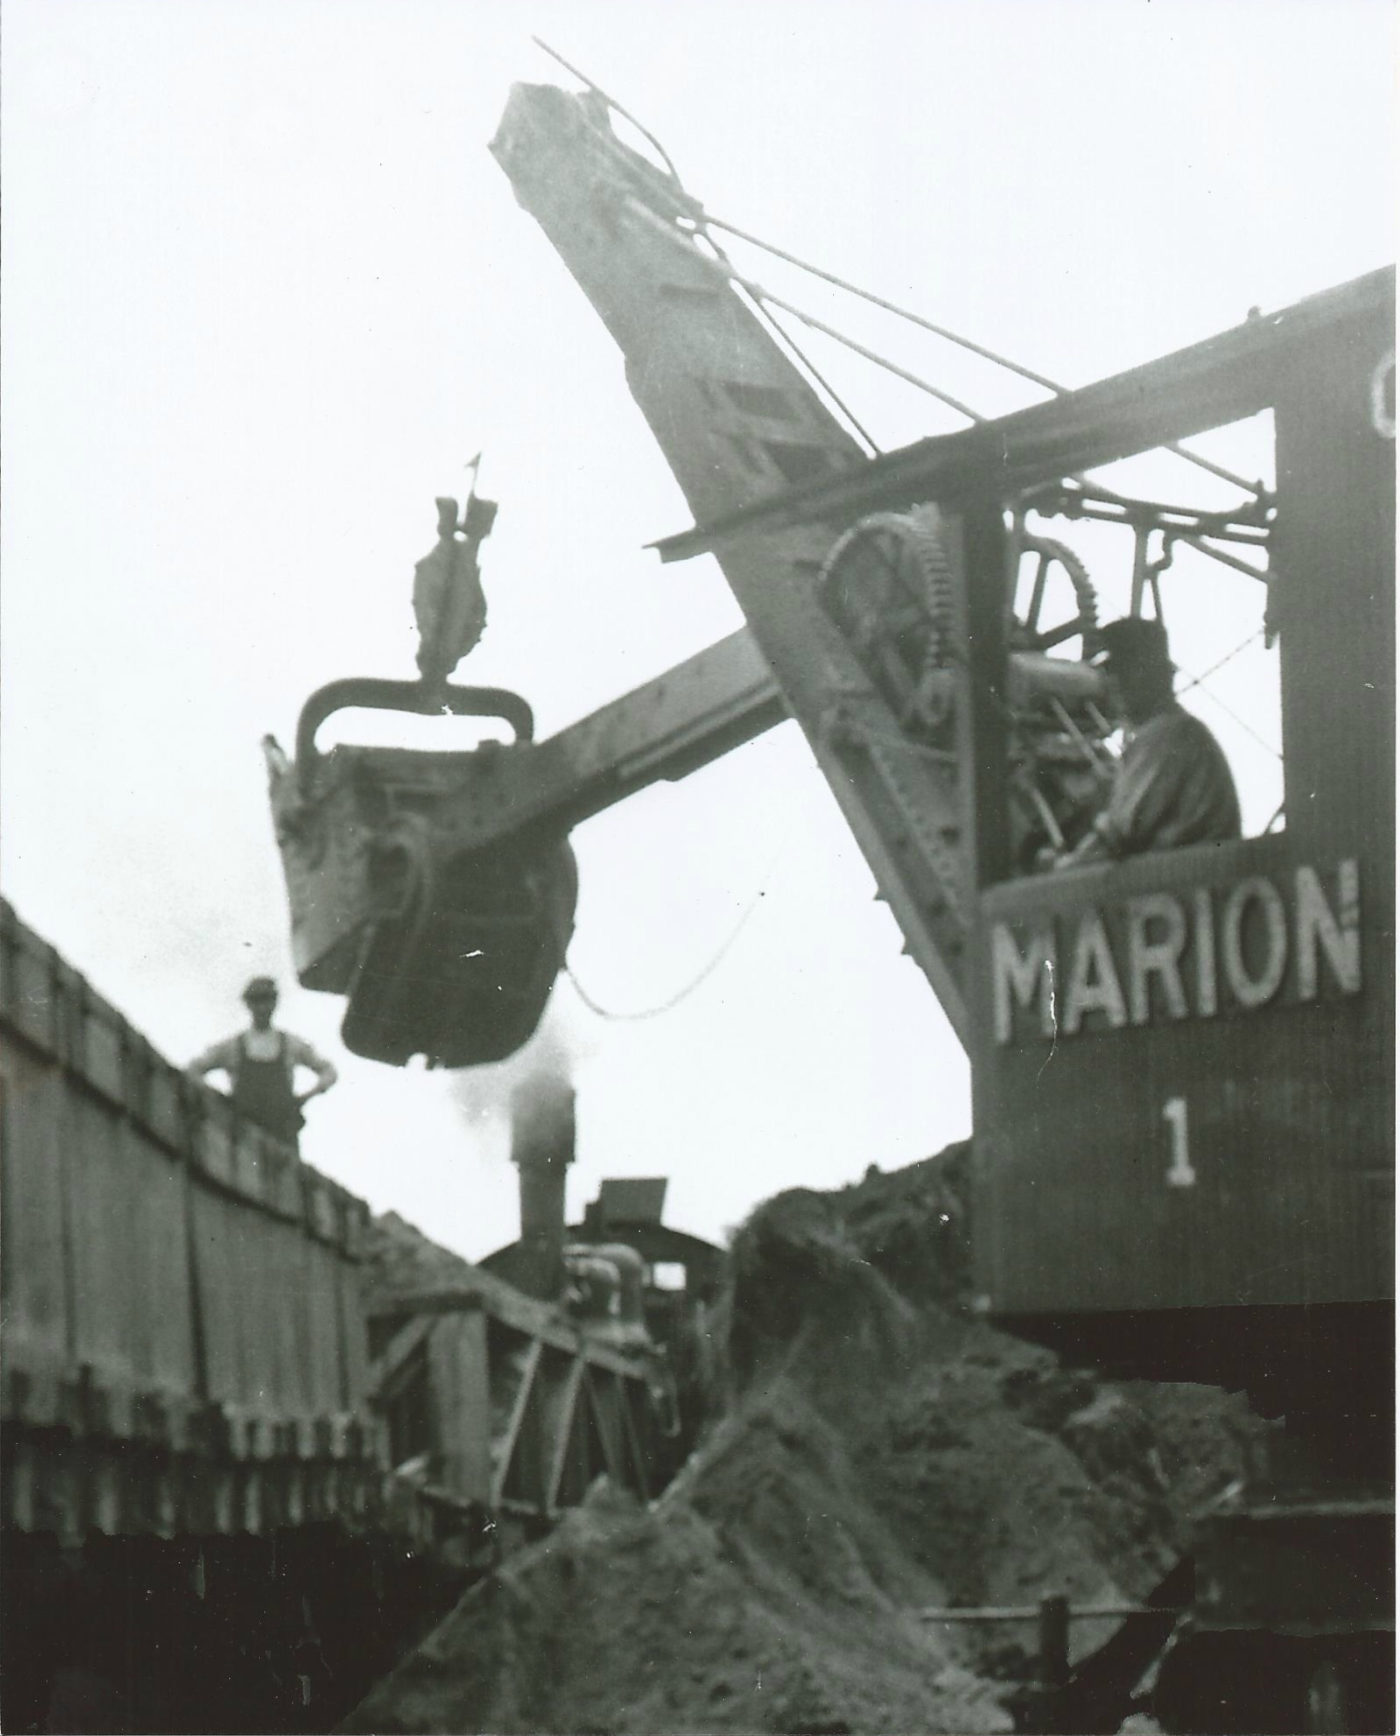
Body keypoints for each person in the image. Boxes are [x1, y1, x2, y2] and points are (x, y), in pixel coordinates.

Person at [1054, 616, 1241, 868]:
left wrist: (1063, 866)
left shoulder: (1166, 735)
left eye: (1122, 671)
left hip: (1187, 884)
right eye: (1110, 673)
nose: (1114, 683)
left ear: (1155, 675)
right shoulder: (1185, 731)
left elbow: (1117, 836)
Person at [187, 976, 337, 1144]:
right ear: (248, 1004)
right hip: (243, 1136)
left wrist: (306, 1097)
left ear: (275, 1003)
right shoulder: (232, 1047)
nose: (262, 1008)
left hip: (283, 1136)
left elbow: (329, 1072)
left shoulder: (291, 1045)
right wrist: (216, 1097)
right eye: (257, 1001)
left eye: (267, 1000)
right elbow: (193, 1069)